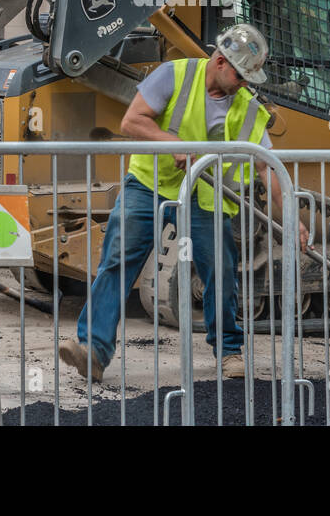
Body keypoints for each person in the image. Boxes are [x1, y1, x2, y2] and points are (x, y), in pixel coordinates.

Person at [59, 24, 308, 383]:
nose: (244, 84)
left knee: (220, 271)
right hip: (149, 185)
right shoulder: (174, 75)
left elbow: (268, 170)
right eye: (241, 75)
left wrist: (292, 219)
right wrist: (170, 142)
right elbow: (133, 121)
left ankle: (230, 351)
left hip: (207, 198)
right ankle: (93, 351)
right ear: (220, 62)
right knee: (117, 260)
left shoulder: (249, 110)